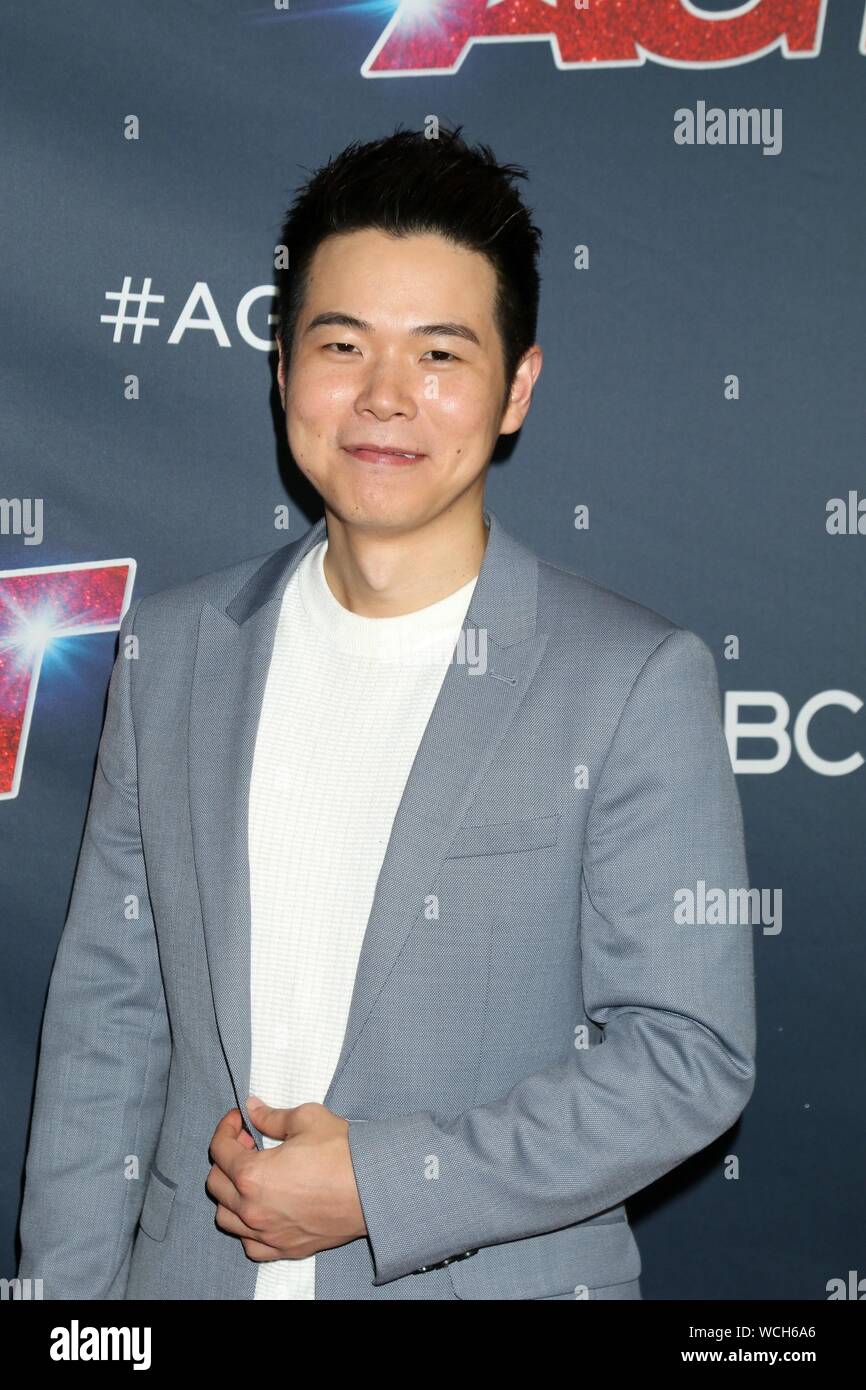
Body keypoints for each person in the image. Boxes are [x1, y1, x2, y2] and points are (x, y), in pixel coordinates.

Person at [18, 125, 755, 1300]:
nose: (383, 397)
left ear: (514, 389)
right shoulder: (173, 650)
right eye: (342, 343)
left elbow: (684, 1060)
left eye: (439, 355)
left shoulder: (626, 678)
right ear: (280, 369)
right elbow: (111, 1019)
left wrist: (380, 1183)